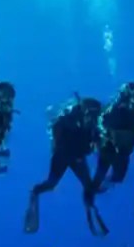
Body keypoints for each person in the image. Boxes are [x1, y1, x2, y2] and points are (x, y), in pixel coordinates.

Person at [25, 95, 109, 237]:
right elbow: (59, 135)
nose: (92, 117)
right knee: (52, 183)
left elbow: (96, 139)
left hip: (77, 156)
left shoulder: (93, 122)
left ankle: (90, 205)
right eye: (91, 113)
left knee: (88, 186)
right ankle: (35, 192)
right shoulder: (67, 119)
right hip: (63, 156)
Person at [92, 82, 134, 194]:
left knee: (119, 176)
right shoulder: (115, 109)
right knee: (101, 172)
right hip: (109, 147)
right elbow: (101, 121)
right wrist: (108, 134)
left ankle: (103, 186)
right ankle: (95, 190)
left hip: (124, 149)